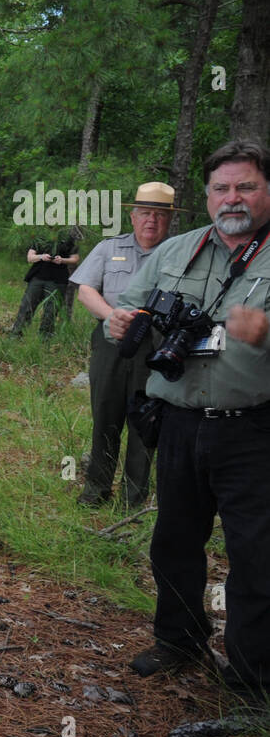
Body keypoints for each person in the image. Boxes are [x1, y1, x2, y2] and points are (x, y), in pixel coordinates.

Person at [108, 140, 270, 698]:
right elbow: (129, 306)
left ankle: (251, 673)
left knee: (256, 553)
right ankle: (179, 640)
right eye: (221, 188)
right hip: (177, 421)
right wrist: (120, 322)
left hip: (253, 427)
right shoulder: (175, 251)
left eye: (245, 186)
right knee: (174, 540)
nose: (233, 199)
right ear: (206, 196)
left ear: (266, 190)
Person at [70, 182, 177, 507]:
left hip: (156, 346)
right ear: (132, 216)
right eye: (145, 213)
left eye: (160, 215)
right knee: (106, 413)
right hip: (111, 341)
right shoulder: (108, 248)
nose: (151, 221)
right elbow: (85, 289)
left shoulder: (179, 254)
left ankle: (135, 497)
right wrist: (111, 315)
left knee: (145, 419)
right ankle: (96, 491)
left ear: (169, 220)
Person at [10, 230, 79, 338]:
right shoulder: (42, 236)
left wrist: (62, 260)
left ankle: (45, 338)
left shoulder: (68, 237)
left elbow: (74, 259)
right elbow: (30, 257)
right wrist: (41, 257)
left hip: (58, 280)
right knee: (27, 306)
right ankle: (16, 334)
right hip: (38, 277)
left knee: (51, 310)